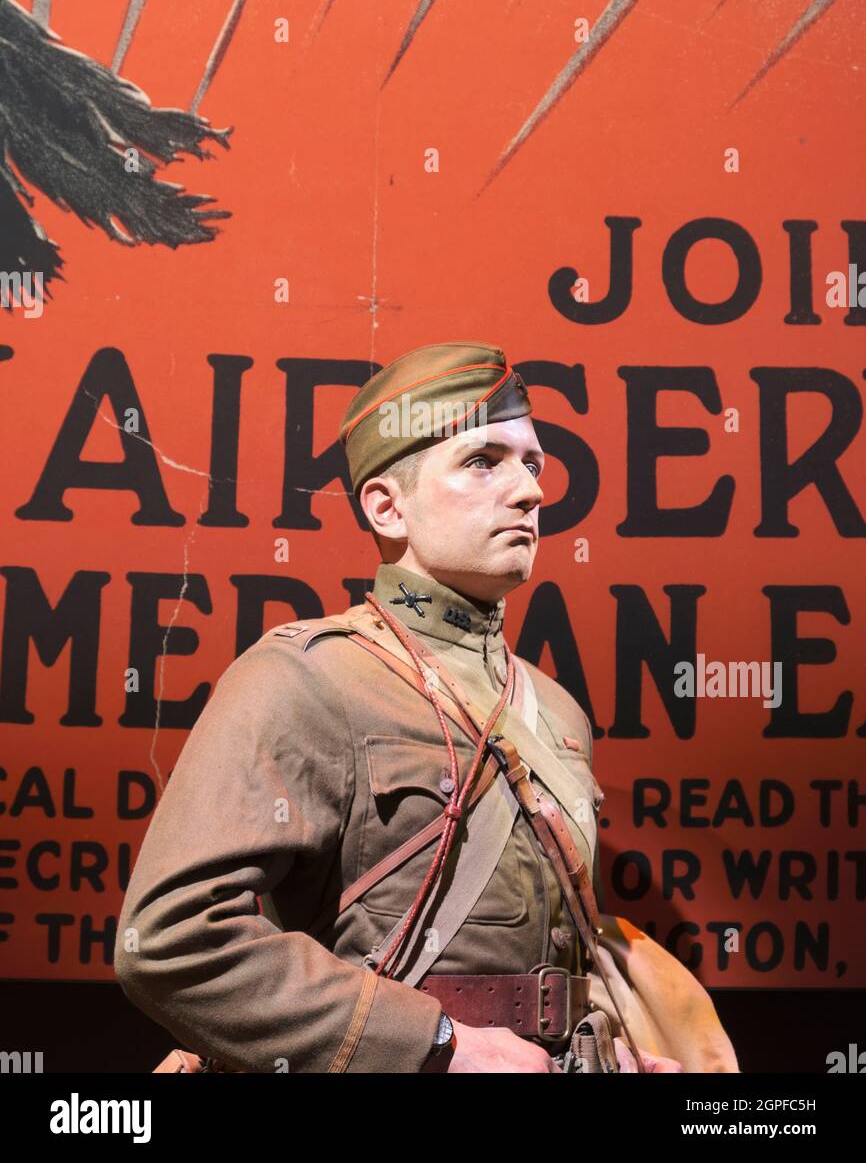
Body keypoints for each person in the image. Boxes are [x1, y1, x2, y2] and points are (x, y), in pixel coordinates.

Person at [114, 340, 685, 1073]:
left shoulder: (555, 712)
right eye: (484, 462)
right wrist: (435, 1045)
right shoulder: (306, 677)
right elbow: (171, 941)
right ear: (388, 505)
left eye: (532, 463)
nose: (530, 490)